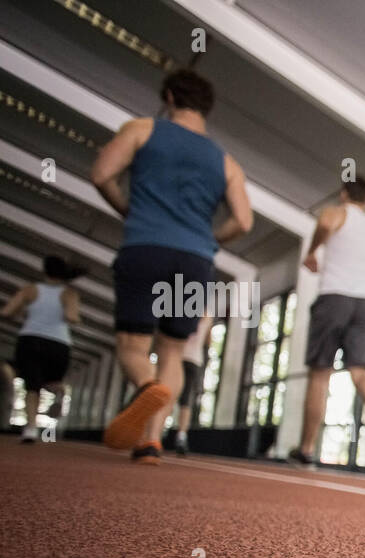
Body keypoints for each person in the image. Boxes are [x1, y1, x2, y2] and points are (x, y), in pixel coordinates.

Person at [90, 68, 253, 464]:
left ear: (169, 97)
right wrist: (210, 240)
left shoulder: (143, 129)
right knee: (174, 352)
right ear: (207, 109)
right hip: (195, 258)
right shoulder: (226, 161)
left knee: (132, 346)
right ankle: (151, 441)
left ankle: (146, 387)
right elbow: (243, 222)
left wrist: (127, 209)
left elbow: (100, 174)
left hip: (147, 247)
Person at [290, 176, 365, 467]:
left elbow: (326, 224)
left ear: (344, 194)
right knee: (359, 373)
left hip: (334, 299)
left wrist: (313, 251)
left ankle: (305, 449)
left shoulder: (339, 212)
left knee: (320, 375)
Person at [1, 256, 83, 442]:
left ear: (44, 271)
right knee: (52, 382)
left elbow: (7, 312)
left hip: (31, 340)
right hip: (59, 344)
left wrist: (25, 313)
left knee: (32, 385)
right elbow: (72, 316)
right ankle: (61, 392)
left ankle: (30, 429)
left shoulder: (30, 290)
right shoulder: (69, 293)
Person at [171, 313, 213, 455]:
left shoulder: (183, 308)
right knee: (186, 400)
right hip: (194, 360)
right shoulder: (208, 316)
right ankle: (181, 436)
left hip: (176, 357)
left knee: (168, 395)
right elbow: (208, 342)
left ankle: (152, 435)